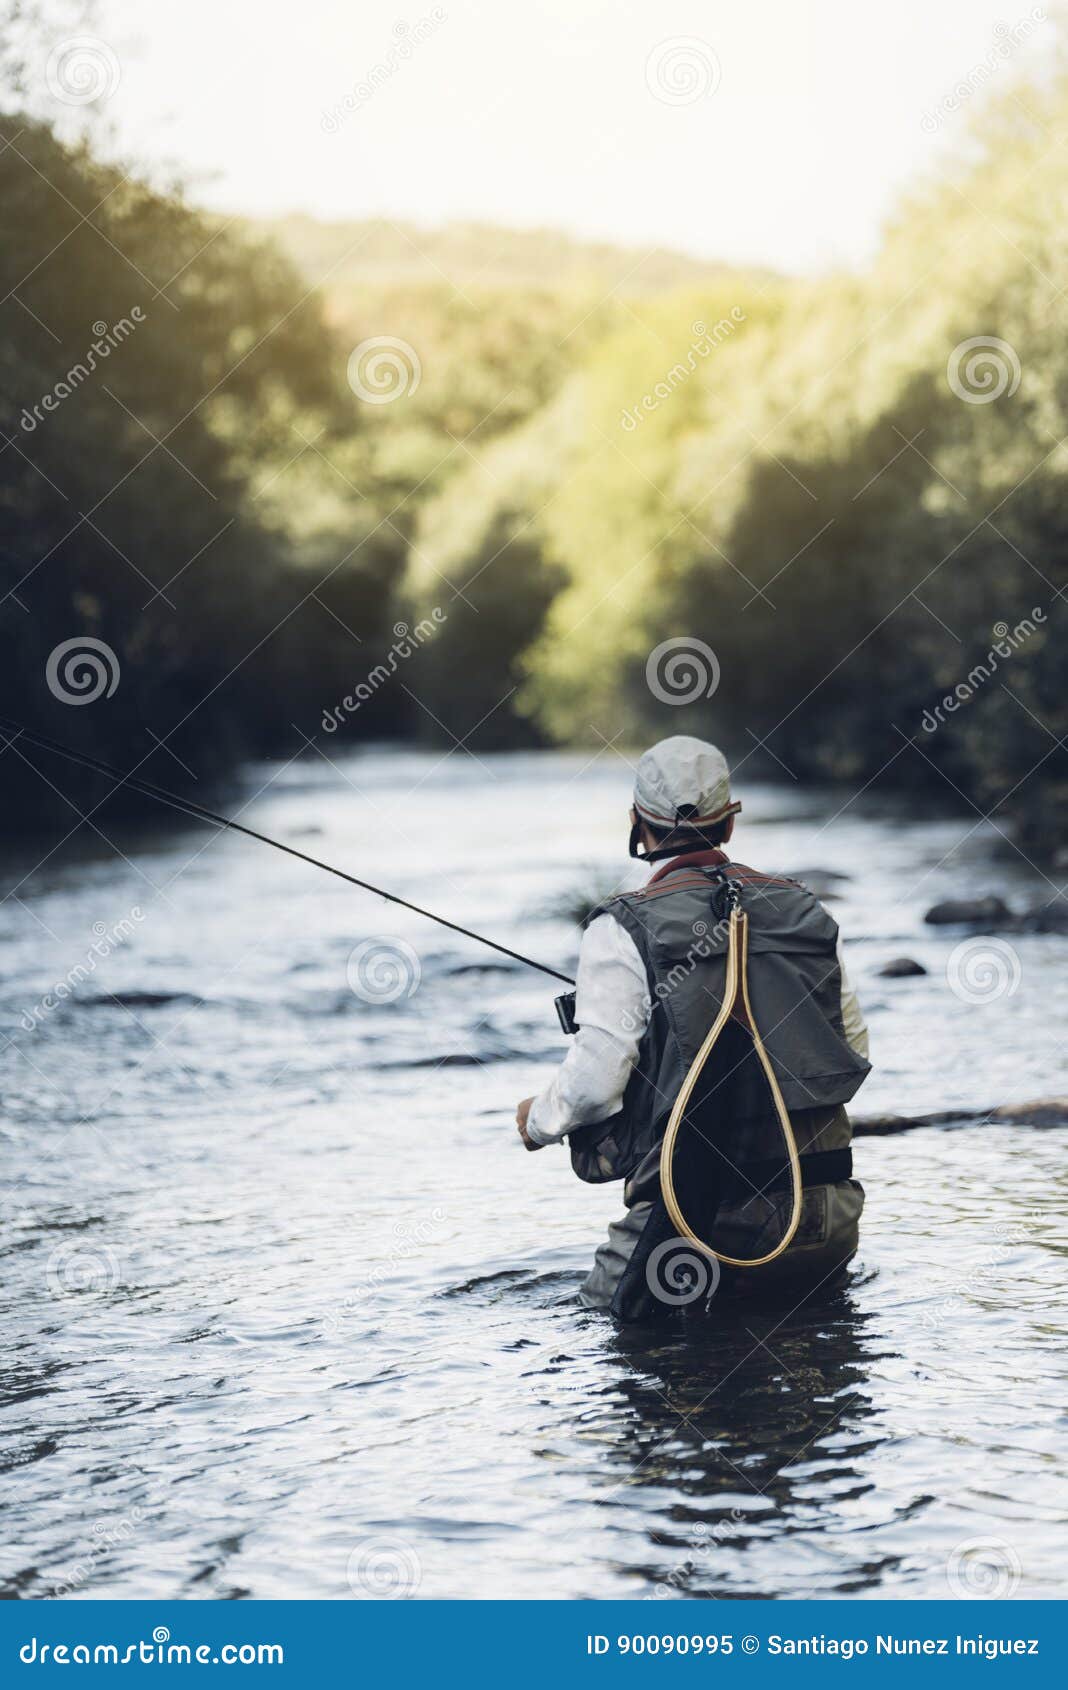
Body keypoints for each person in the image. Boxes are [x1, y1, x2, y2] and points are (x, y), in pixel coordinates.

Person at [515, 736, 870, 1320]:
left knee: (594, 1336)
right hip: (829, 1223)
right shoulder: (806, 912)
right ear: (729, 824)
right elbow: (853, 1050)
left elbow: (593, 1085)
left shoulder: (621, 927)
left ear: (637, 825)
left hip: (701, 1229)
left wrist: (538, 1121)